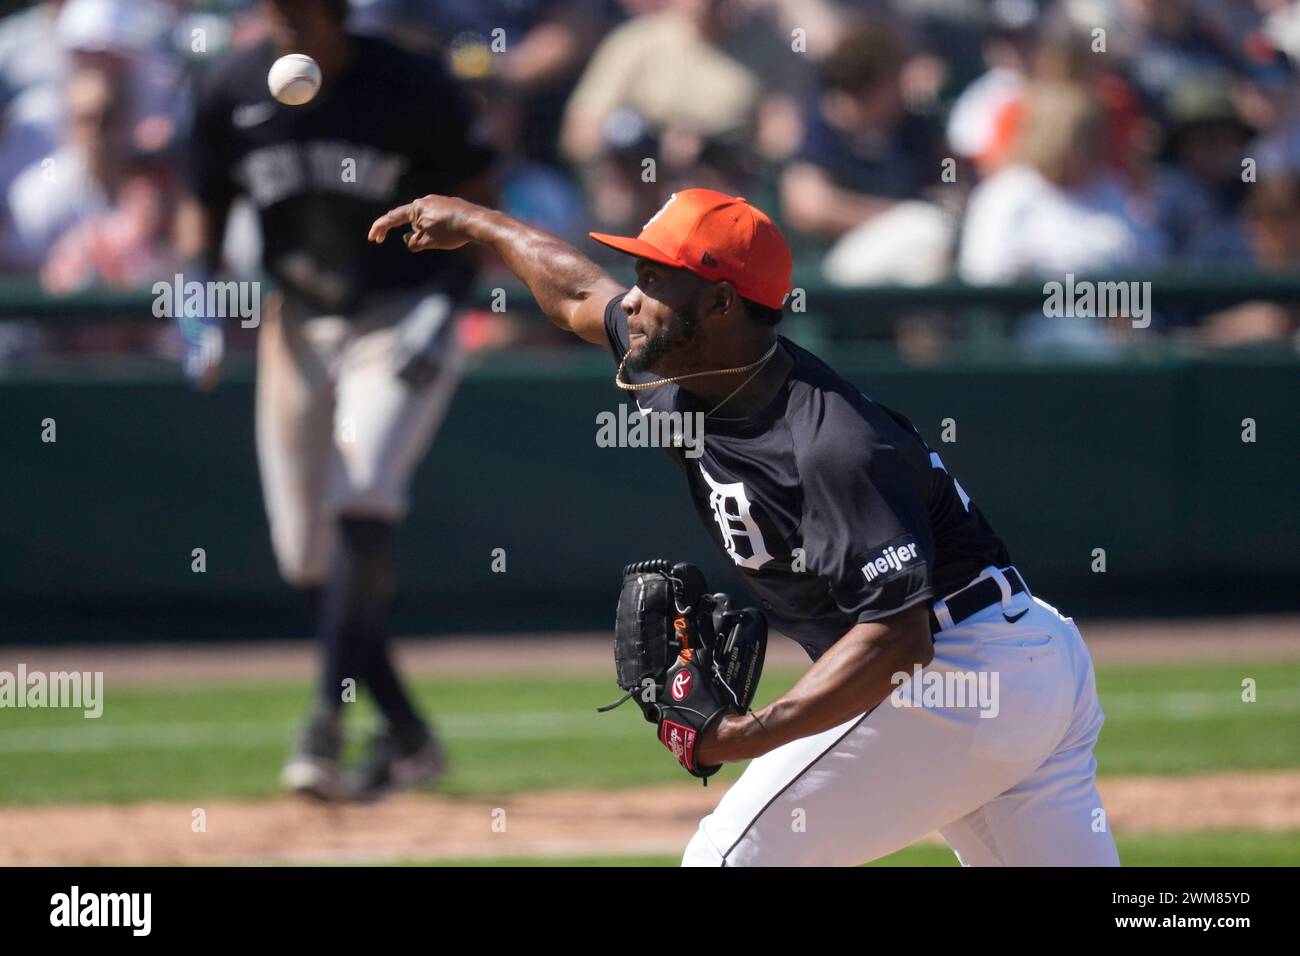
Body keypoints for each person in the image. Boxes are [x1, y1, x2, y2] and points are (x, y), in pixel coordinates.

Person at [368, 188, 1120, 866]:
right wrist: (478, 223)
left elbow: (898, 638)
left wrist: (750, 732)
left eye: (657, 282)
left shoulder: (831, 442)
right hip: (1031, 666)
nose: (632, 299)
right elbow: (574, 292)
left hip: (955, 671)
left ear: (721, 304)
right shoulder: (674, 364)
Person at [180, 0, 494, 801]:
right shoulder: (232, 86)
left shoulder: (409, 81)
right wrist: (196, 296)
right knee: (305, 553)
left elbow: (479, 191)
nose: (287, 20)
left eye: (303, 7)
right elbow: (205, 199)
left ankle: (324, 719)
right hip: (298, 321)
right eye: (275, 6)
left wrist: (444, 303)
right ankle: (409, 732)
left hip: (399, 314)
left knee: (362, 494)